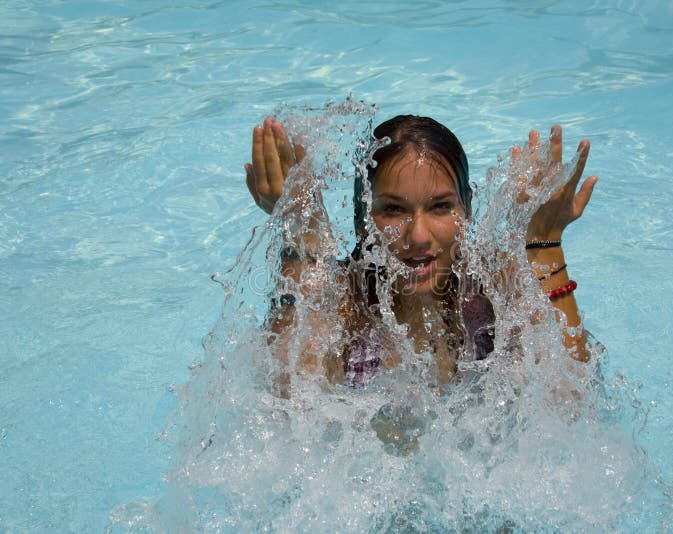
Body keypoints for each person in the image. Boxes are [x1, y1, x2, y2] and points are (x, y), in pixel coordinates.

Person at [244, 114, 597, 387]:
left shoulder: (496, 288)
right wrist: (301, 237)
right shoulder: (339, 300)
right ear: (363, 219)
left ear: (467, 209)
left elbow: (573, 402)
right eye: (393, 210)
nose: (418, 235)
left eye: (441, 207)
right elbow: (285, 409)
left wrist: (544, 243)